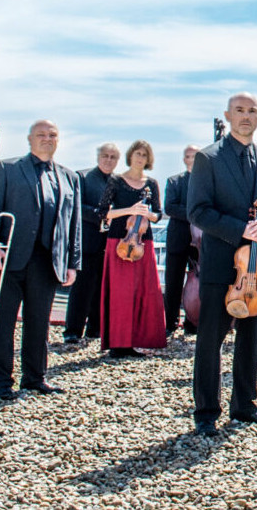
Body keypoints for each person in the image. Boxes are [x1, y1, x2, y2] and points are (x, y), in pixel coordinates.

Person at [187, 93, 257, 436]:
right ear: (228, 115)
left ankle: (245, 406)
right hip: (220, 263)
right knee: (210, 340)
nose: (246, 116)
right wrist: (240, 229)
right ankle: (206, 412)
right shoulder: (208, 157)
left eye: (252, 111)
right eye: (239, 110)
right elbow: (198, 211)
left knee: (250, 340)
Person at [0, 120, 81, 400]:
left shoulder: (70, 177)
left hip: (47, 261)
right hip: (9, 258)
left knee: (39, 323)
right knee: (1, 322)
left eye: (52, 134)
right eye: (41, 134)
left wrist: (73, 262)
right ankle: (0, 382)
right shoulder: (7, 168)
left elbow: (73, 224)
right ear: (30, 139)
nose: (47, 139)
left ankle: (35, 378)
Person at [98, 140, 167, 358]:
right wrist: (130, 210)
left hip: (142, 242)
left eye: (144, 155)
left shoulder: (151, 184)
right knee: (120, 292)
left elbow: (158, 214)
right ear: (130, 156)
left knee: (143, 290)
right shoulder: (116, 181)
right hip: (119, 241)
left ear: (148, 159)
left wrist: (148, 214)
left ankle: (136, 341)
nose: (140, 158)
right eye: (137, 154)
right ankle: (117, 343)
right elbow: (103, 212)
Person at [64, 143, 119, 344]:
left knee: (101, 289)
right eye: (105, 156)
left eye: (113, 157)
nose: (108, 160)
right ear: (98, 157)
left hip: (109, 243)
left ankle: (95, 329)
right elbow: (76, 207)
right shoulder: (82, 177)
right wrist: (102, 215)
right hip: (87, 241)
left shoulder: (119, 181)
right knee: (81, 288)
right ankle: (72, 330)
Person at [163, 145, 202, 336]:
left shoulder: (206, 183)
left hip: (199, 242)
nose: (192, 159)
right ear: (184, 159)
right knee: (173, 283)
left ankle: (192, 321)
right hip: (178, 239)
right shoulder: (174, 181)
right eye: (188, 156)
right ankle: (170, 323)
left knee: (197, 283)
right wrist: (194, 214)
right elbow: (169, 207)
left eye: (195, 156)